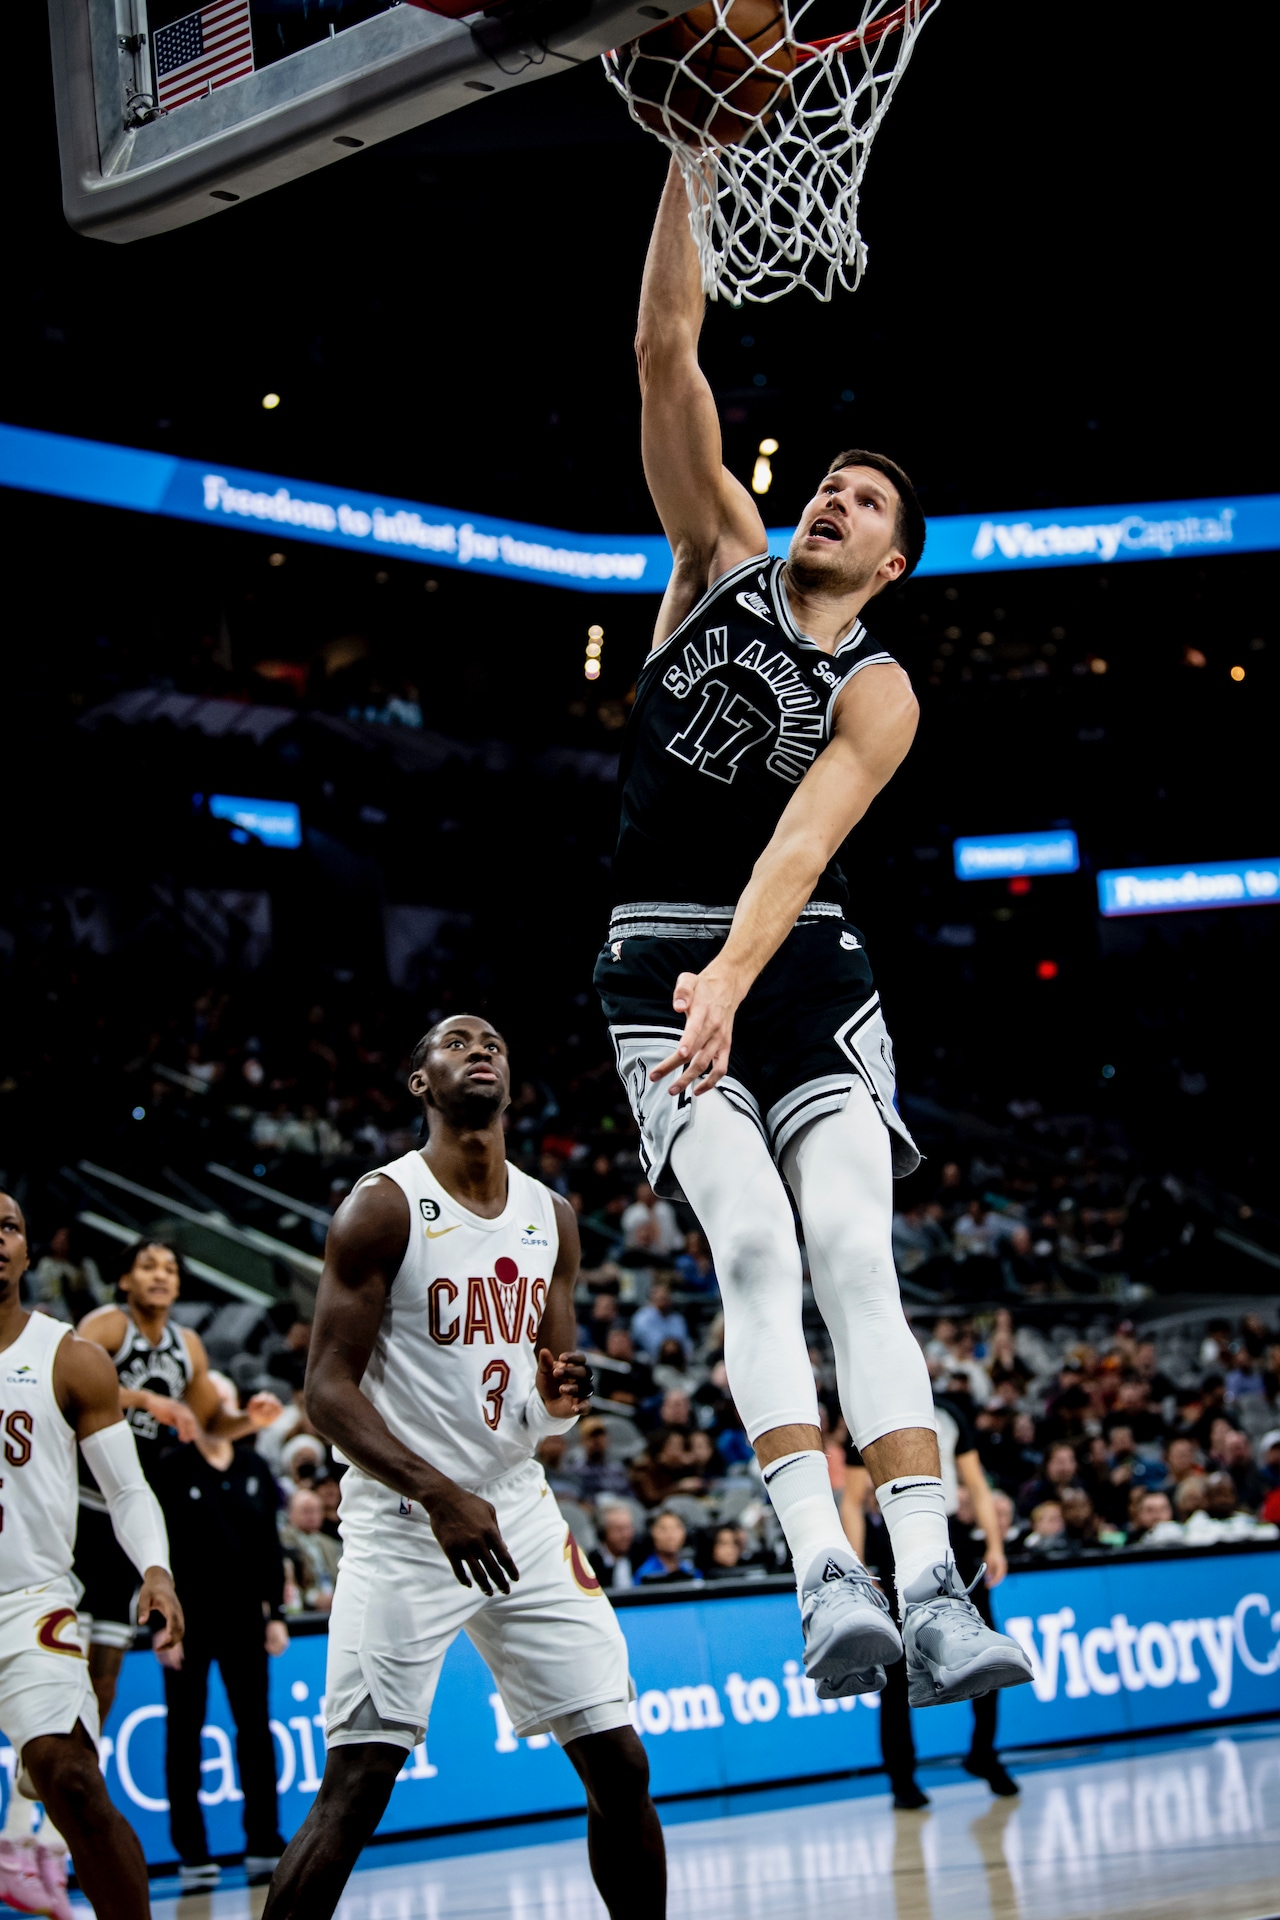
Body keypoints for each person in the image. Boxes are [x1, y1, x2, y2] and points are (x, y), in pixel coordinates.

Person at [592, 159, 1030, 1710]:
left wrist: (741, 975)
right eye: (825, 484)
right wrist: (694, 150)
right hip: (654, 961)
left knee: (854, 1248)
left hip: (799, 970)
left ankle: (934, 1583)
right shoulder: (713, 558)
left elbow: (799, 844)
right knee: (758, 1250)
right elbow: (665, 349)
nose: (830, 499)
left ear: (895, 560)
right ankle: (820, 1572)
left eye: (863, 500)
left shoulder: (882, 688)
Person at [262, 1016, 665, 1920]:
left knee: (620, 1759)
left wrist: (558, 1398)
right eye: (455, 1042)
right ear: (420, 1084)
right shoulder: (383, 1206)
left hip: (517, 1512)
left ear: (512, 1084)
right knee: (359, 1785)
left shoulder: (550, 1215)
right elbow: (325, 1392)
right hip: (407, 1521)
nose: (480, 1048)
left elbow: (540, 1404)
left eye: (493, 1042)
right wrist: (439, 1492)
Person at [0, 1192, 184, 1920]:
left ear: (27, 1249)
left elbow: (129, 1489)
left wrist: (157, 1572)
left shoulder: (69, 1356)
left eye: (9, 1225)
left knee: (71, 1779)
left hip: (27, 1601)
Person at [73, 1239, 281, 1722]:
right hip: (77, 1502)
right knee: (68, 1653)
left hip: (128, 1511)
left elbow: (211, 1421)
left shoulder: (186, 1345)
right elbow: (71, 1387)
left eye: (169, 1268)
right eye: (148, 1266)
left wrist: (249, 1419)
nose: (161, 1275)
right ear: (124, 1280)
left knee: (106, 1668)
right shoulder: (107, 1325)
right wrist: (146, 1400)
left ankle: (83, 1770)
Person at [843, 1389, 1018, 1807]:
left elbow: (975, 1484)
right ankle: (901, 1777)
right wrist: (857, 1564)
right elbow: (851, 1499)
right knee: (897, 1668)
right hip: (891, 1537)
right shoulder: (864, 1410)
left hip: (950, 1533)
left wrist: (994, 1544)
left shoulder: (950, 1412)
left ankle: (983, 1753)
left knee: (985, 1654)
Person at [152, 1371, 290, 1888]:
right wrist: (163, 1625)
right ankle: (192, 1852)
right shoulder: (170, 1468)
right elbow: (155, 1551)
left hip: (243, 1621)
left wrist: (274, 1613)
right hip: (187, 1622)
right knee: (183, 1735)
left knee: (255, 1731)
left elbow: (268, 1549)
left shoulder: (255, 1466)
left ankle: (263, 1842)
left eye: (229, 1400)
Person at [635, 1512, 697, 1585]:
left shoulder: (690, 1570)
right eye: (663, 1529)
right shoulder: (643, 1574)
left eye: (675, 1528)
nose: (670, 1536)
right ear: (652, 1534)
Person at [590, 1508, 639, 1593]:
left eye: (628, 1528)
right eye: (619, 1529)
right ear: (603, 1531)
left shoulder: (640, 1553)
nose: (626, 1535)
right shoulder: (591, 1562)